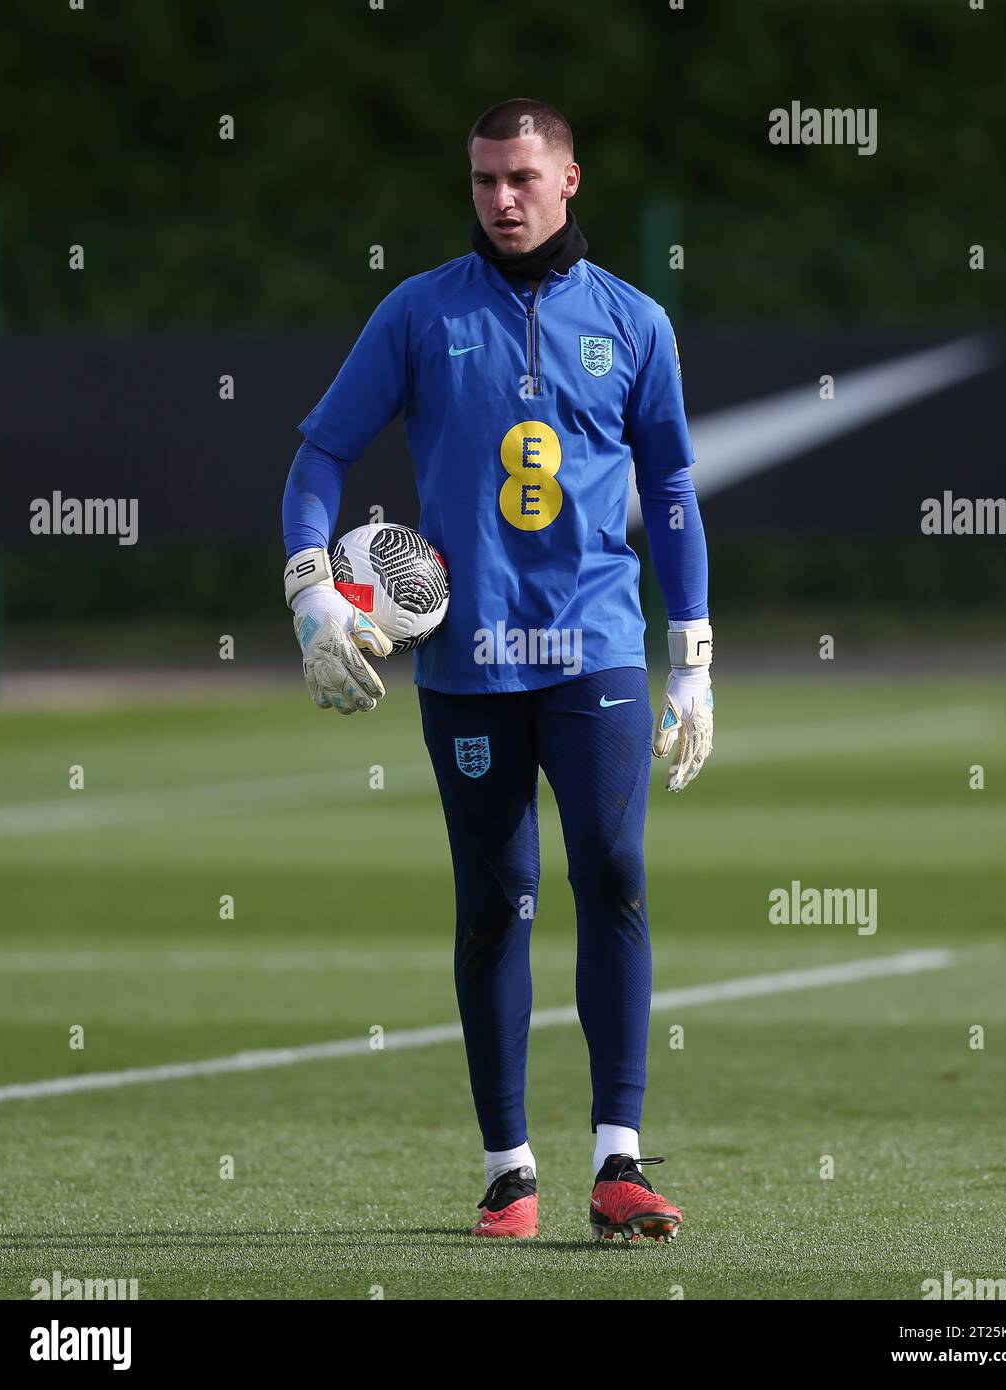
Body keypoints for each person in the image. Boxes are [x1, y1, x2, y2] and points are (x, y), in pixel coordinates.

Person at [281, 98, 712, 1243]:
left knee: (613, 869)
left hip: (597, 651)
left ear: (570, 179)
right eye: (482, 180)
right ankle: (507, 1167)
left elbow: (669, 492)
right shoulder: (419, 312)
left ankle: (618, 1160)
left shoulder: (634, 321)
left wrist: (696, 653)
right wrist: (311, 585)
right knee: (494, 902)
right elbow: (320, 452)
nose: (500, 199)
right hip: (467, 664)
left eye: (521, 176)